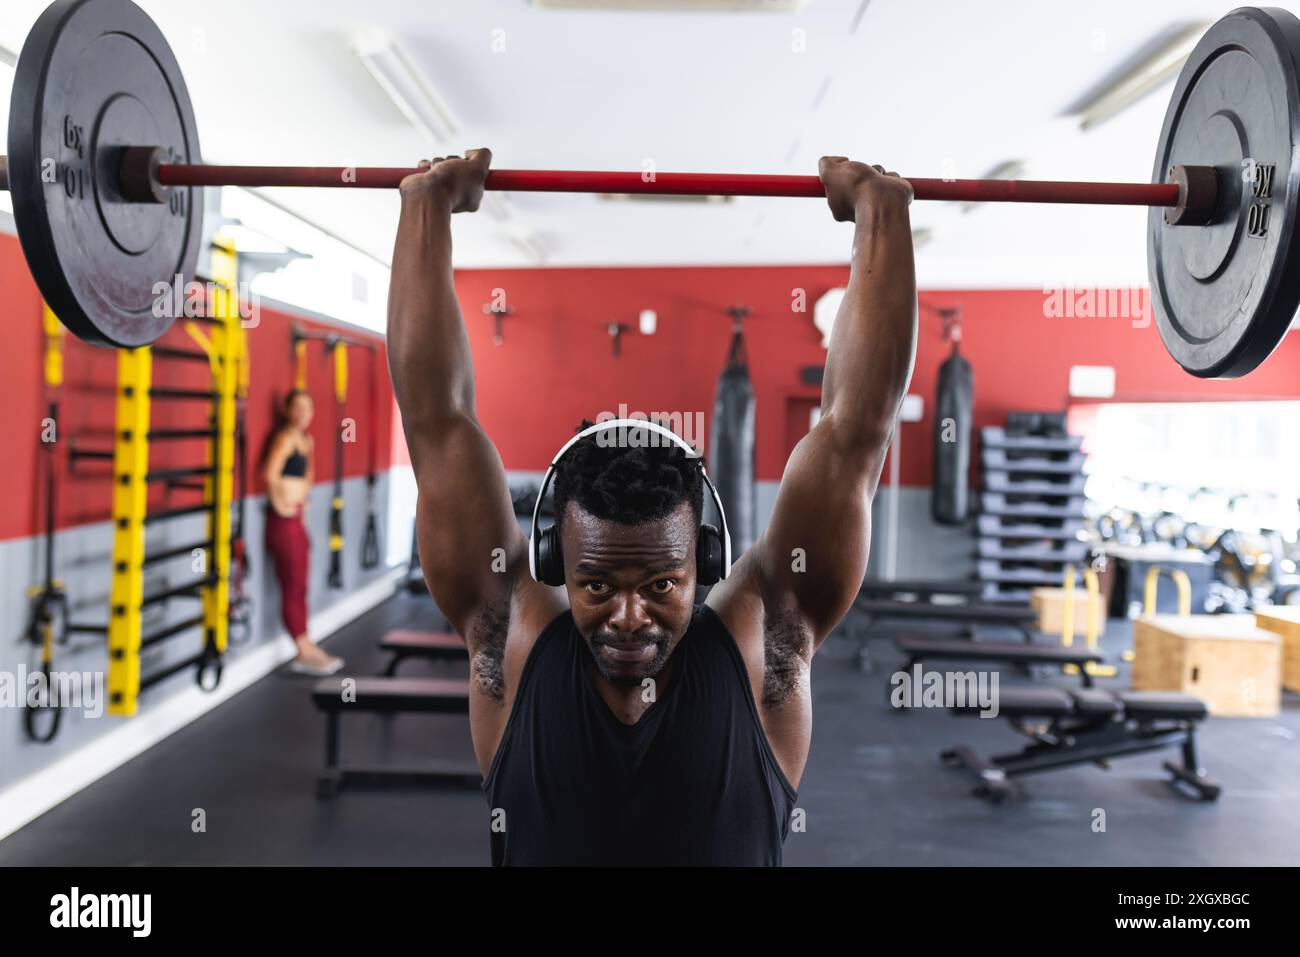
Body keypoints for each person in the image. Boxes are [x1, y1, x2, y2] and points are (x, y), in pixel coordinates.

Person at [388, 149, 915, 865]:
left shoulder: (768, 645)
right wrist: (424, 208)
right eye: (597, 584)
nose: (629, 617)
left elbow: (856, 432)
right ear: (556, 564)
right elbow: (434, 421)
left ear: (702, 563)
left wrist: (880, 217)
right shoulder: (508, 630)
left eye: (661, 585)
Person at [262, 390, 344, 676]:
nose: (303, 414)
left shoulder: (306, 440)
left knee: (301, 584)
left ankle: (307, 643)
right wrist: (282, 505)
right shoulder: (285, 438)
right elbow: (270, 475)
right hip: (282, 521)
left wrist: (302, 505)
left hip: (297, 519)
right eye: (297, 408)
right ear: (287, 411)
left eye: (308, 409)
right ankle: (302, 650)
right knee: (292, 585)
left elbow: (307, 475)